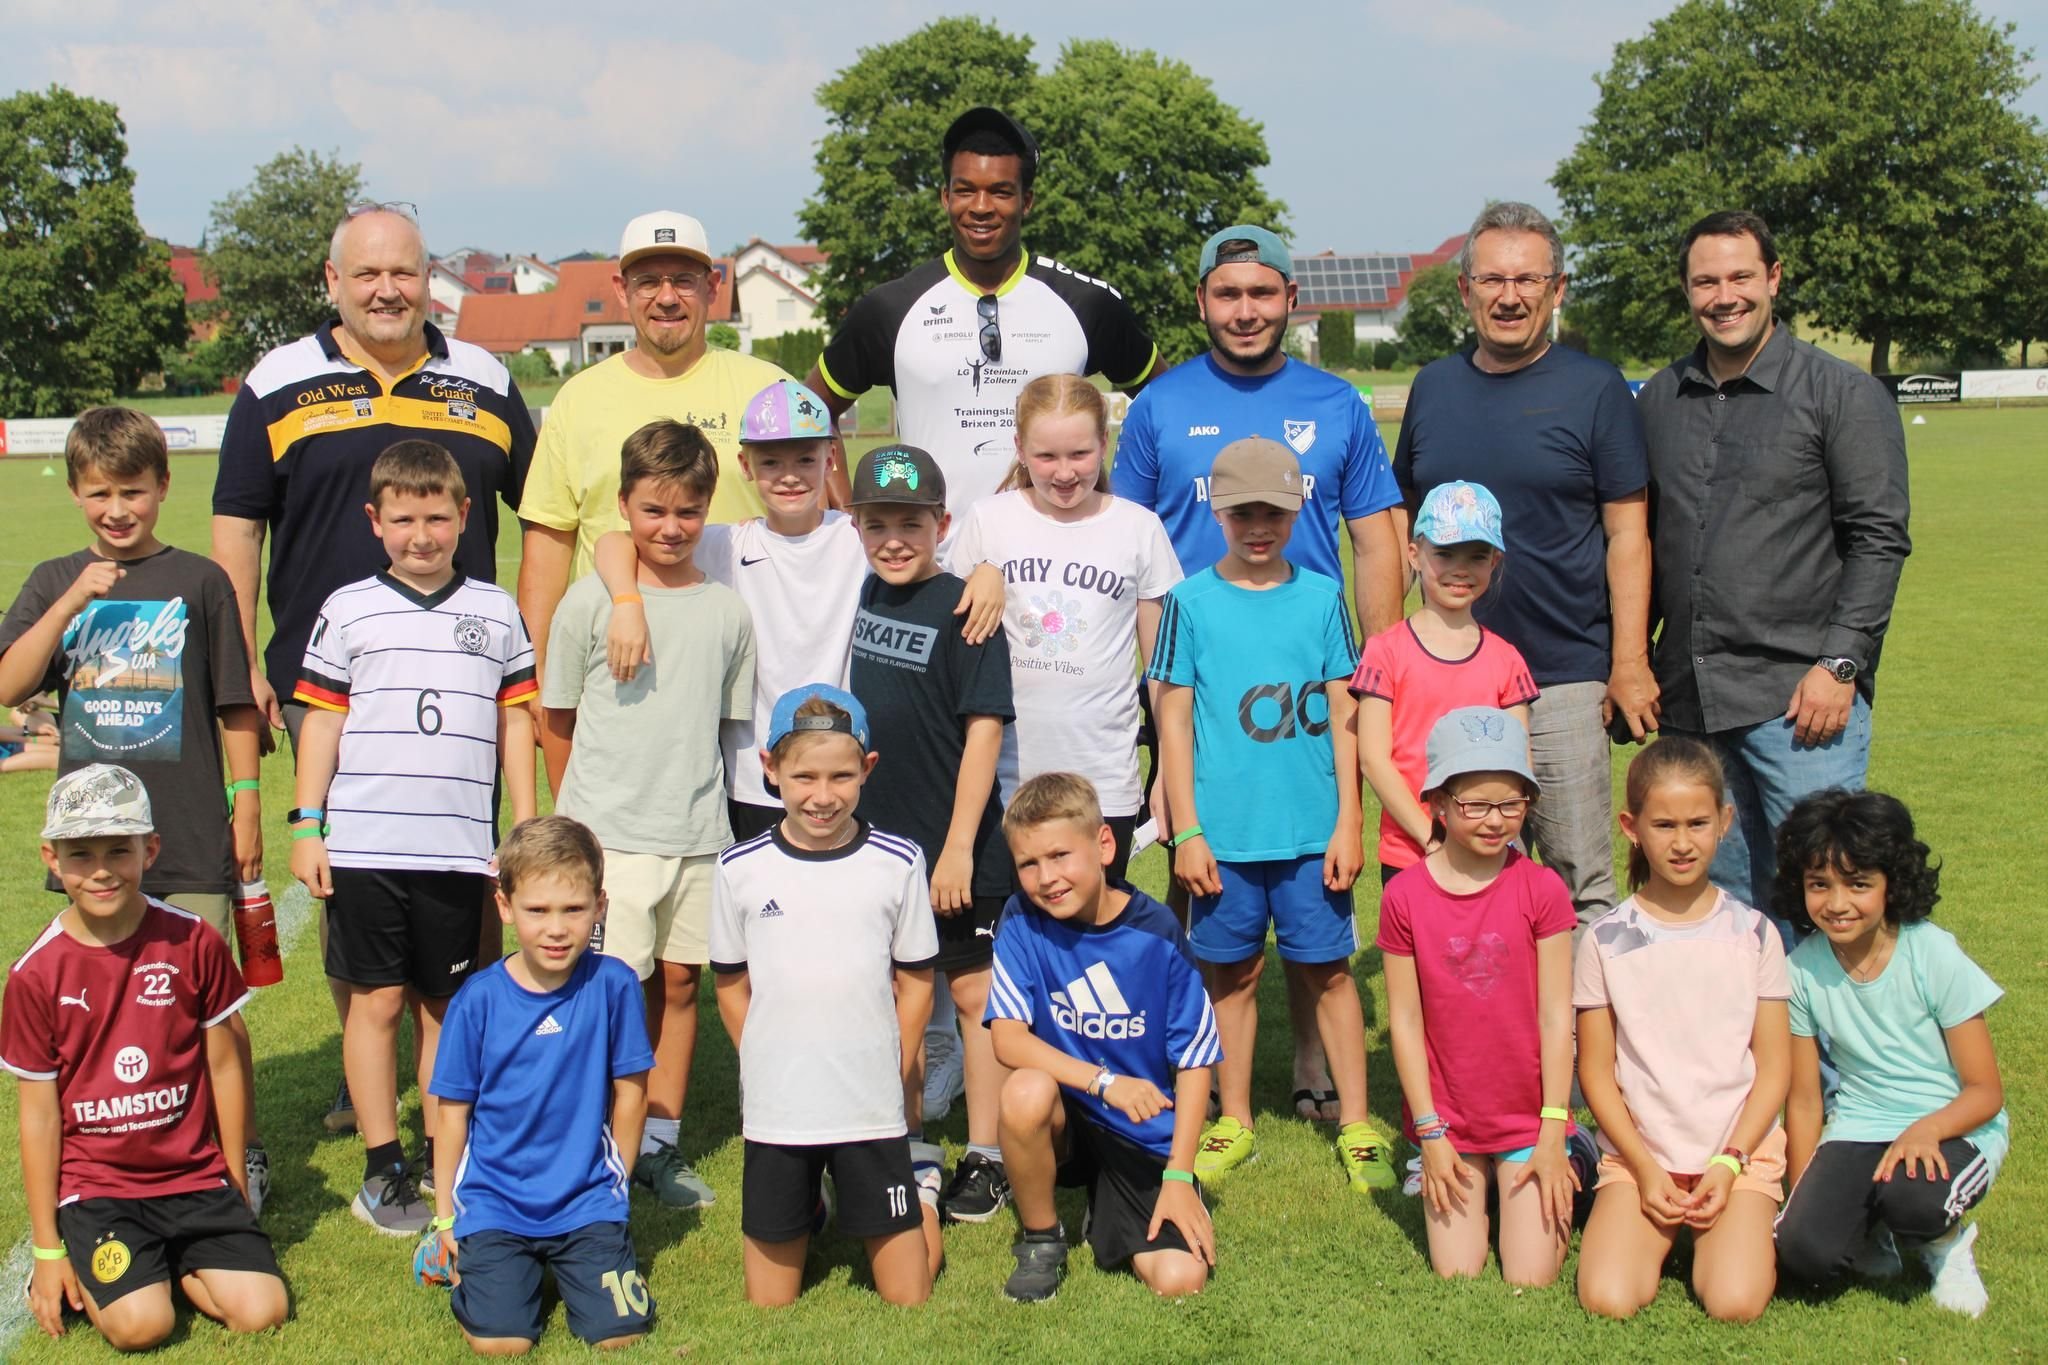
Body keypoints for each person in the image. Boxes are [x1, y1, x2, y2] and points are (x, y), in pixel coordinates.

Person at [213, 200, 534, 1135]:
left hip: (460, 684)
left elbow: (544, 511)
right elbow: (238, 530)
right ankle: (363, 1080)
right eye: (367, 275)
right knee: (346, 870)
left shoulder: (481, 375)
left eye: (405, 272)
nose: (388, 289)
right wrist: (243, 665)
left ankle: (459, 1061)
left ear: (429, 279)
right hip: (329, 687)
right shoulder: (278, 381)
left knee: (459, 870)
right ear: (333, 284)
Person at [1113, 222, 1404, 1122]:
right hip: (1194, 678)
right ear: (1201, 301)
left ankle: (1315, 1065)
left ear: (1291, 300)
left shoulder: (1338, 404)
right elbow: (1124, 542)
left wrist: (1384, 674)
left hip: (1307, 675)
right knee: (1206, 876)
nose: (1246, 310)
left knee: (1311, 876)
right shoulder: (1160, 407)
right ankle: (1194, 1067)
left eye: (1263, 293)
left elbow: (1373, 538)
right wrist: (1151, 680)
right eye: (1228, 294)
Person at [0, 407, 273, 1208]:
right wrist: (71, 603)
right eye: (97, 493)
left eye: (132, 490)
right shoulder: (57, 579)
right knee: (115, 999)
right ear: (76, 493)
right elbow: (9, 685)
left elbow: (234, 703)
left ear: (163, 486)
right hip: (95, 846)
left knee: (210, 1010)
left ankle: (239, 1150)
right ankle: (133, 1155)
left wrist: (247, 800)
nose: (116, 509)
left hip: (188, 831)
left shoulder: (199, 580)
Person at [289, 440, 540, 1237]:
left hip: (460, 850)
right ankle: (381, 1164)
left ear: (467, 516)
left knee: (448, 1007)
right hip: (365, 846)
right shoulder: (349, 607)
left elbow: (515, 721)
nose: (422, 534)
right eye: (403, 519)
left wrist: (525, 829)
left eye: (438, 516)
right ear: (375, 521)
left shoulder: (497, 610)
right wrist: (306, 822)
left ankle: (445, 1151)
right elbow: (323, 720)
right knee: (378, 1001)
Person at [1637, 211, 1911, 922]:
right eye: (1706, 281)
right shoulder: (1660, 400)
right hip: (1690, 704)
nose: (1723, 296)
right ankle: (1749, 1041)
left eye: (1740, 277)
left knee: (1823, 901)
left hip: (1801, 706)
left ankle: (1829, 1041)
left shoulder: (1842, 393)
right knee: (1720, 913)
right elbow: (1638, 539)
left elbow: (1878, 537)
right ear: (1687, 290)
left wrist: (1841, 664)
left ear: (1774, 279)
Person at [1394, 201, 1655, 926]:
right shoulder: (1434, 387)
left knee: (1582, 884)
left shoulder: (1597, 387)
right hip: (1452, 677)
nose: (1509, 296)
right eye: (1492, 279)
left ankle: (1590, 1040)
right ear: (1465, 291)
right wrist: (1391, 652)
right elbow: (1400, 525)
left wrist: (1628, 661)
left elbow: (1628, 533)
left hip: (1562, 676)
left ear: (1558, 288)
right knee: (1460, 878)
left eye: (1528, 280)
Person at [1147, 437, 1393, 1193]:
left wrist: (1350, 818)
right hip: (1223, 835)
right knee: (1234, 976)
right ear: (1217, 510)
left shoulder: (1321, 596)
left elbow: (1347, 711)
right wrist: (1186, 830)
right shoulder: (1190, 603)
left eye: (1276, 512)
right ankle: (1236, 1119)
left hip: (1310, 831)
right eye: (1245, 510)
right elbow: (1176, 723)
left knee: (1328, 972)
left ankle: (1355, 1122)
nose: (1260, 526)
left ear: (1297, 511)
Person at [542, 420, 755, 1211]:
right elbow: (555, 717)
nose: (671, 528)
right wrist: (575, 834)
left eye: (689, 511)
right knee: (609, 989)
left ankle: (658, 1142)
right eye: (653, 510)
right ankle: (593, 1137)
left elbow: (724, 728)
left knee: (678, 984)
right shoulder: (591, 601)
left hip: (698, 834)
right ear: (624, 508)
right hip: (612, 837)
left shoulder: (727, 613)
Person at [3, 766, 288, 1349]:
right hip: (101, 1185)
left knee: (264, 1311)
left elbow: (226, 1064)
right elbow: (37, 1112)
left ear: (150, 849)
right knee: (141, 1328)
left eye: (118, 850)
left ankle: (176, 1261)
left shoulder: (192, 942)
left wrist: (232, 1171)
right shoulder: (35, 975)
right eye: (80, 854)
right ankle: (111, 1262)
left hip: (192, 1174)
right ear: (52, 859)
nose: (101, 869)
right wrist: (48, 1247)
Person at [518, 211, 788, 779]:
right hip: (617, 677)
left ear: (714, 287)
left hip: (742, 677)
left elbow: (818, 526)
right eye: (648, 281)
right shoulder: (579, 398)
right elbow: (548, 545)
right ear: (622, 290)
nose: (666, 297)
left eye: (683, 280)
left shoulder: (767, 389)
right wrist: (537, 682)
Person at [807, 106, 1163, 522]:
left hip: (1056, 573)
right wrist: (850, 513)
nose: (980, 206)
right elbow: (810, 409)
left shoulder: (1085, 303)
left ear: (1026, 201)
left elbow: (1167, 405)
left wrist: (1134, 509)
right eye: (964, 190)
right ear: (945, 197)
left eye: (1000, 191)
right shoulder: (891, 307)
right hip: (931, 570)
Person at [710, 686, 940, 1306]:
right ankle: (811, 1195)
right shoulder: (739, 868)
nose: (822, 795)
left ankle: (922, 1196)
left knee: (908, 1294)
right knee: (770, 1302)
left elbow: (916, 978)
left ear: (867, 769)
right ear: (769, 769)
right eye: (804, 776)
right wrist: (757, 1053)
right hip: (779, 1108)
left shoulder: (899, 862)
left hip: (870, 1104)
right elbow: (731, 981)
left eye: (841, 775)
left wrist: (897, 1060)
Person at [845, 444, 1018, 1225]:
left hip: (959, 847)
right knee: (898, 995)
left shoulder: (965, 608)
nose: (893, 538)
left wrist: (954, 846)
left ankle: (986, 1152)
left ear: (941, 522)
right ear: (855, 524)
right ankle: (910, 1142)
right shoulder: (858, 596)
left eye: (910, 522)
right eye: (876, 522)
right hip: (876, 846)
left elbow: (983, 733)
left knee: (974, 992)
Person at [1573, 739, 1790, 1323]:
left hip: (1735, 1155)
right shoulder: (1606, 937)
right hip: (1643, 1156)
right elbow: (1595, 1070)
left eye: (1698, 823)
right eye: (1663, 824)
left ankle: (1730, 1225)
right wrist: (1644, 1169)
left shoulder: (1754, 934)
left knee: (1734, 1302)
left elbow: (1774, 1069)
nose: (1682, 841)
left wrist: (1730, 1163)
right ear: (1631, 827)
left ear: (1724, 820)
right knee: (1607, 1297)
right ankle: (1645, 1221)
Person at [424, 815, 657, 1353]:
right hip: (495, 1202)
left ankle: (576, 1260)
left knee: (618, 1335)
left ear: (600, 906)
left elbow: (632, 1093)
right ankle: (467, 1267)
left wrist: (614, 1184)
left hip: (585, 1201)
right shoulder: (477, 1001)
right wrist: (445, 1217)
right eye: (537, 910)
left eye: (573, 909)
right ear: (505, 907)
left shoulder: (615, 985)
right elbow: (451, 1112)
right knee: (503, 1343)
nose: (556, 928)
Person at [987, 772, 1219, 1302]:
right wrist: (1103, 1082)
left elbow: (1195, 1059)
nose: (1047, 878)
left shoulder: (1157, 933)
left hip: (1139, 1130)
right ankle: (1042, 1238)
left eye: (1060, 856)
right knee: (1024, 1091)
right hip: (1069, 1114)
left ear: (1104, 845)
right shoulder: (1021, 919)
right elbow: (1008, 1039)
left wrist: (1180, 1176)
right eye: (1029, 863)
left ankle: (1110, 1199)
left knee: (1179, 1282)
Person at [1774, 790, 2005, 1318]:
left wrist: (1927, 1129)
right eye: (1819, 885)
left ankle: (1946, 1247)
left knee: (1914, 1200)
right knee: (1802, 1254)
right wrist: (1802, 1192)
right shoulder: (1801, 970)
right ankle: (1873, 1230)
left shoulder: (1932, 953)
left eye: (1859, 884)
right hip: (1860, 1124)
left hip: (1950, 1124)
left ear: (1891, 883)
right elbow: (1806, 1101)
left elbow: (1985, 1091)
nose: (1837, 903)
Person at [948, 374, 1182, 881]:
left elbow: (1162, 671)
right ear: (1019, 448)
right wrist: (983, 571)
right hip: (1003, 779)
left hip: (1104, 781)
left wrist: (1166, 771)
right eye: (1046, 457)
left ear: (1105, 443)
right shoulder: (988, 520)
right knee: (1009, 941)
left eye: (1079, 454)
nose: (1063, 473)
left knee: (1090, 932)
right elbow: (948, 639)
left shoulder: (1138, 528)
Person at [1379, 708, 1578, 1285]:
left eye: (1511, 805)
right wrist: (1430, 1133)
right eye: (1476, 806)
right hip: (1450, 1123)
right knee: (1457, 1270)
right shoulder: (1405, 897)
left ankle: (1574, 1150)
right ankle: (1456, 1167)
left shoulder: (1542, 888)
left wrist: (1551, 1128)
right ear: (1439, 802)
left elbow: (1555, 1014)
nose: (1495, 821)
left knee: (1530, 1277)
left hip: (1529, 1117)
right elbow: (1406, 1022)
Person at [1353, 481, 1537, 885]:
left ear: (1495, 561)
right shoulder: (1384, 652)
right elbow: (1373, 759)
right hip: (1411, 854)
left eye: (1477, 556)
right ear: (1415, 555)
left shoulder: (1507, 660)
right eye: (1446, 553)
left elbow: (1517, 762)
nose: (1460, 568)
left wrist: (1491, 831)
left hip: (1490, 852)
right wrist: (1431, 839)